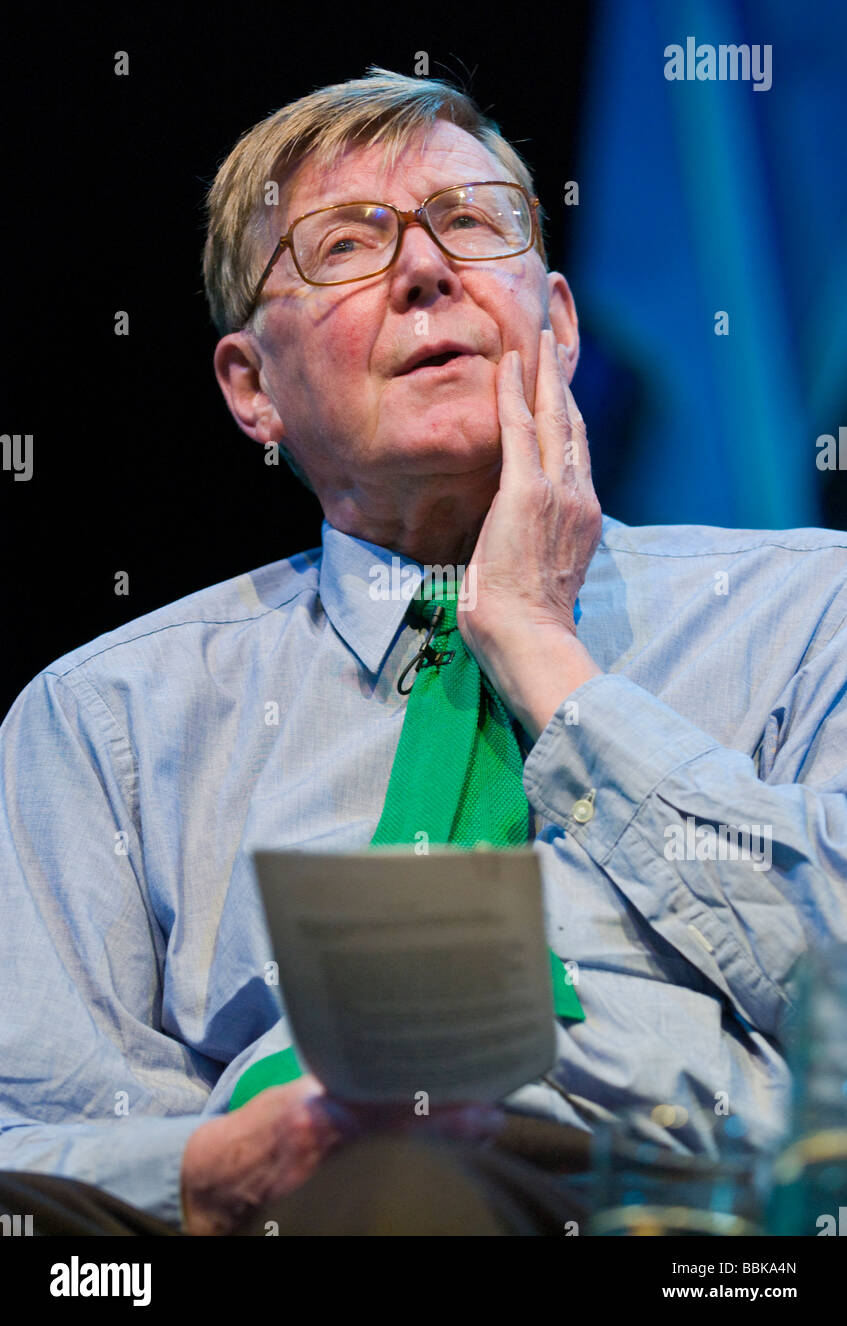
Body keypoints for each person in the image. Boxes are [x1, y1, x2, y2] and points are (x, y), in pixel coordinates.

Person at [1, 68, 844, 1237]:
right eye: (346, 243)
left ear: (555, 323)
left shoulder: (809, 609)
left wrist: (539, 646)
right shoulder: (106, 719)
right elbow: (37, 1126)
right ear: (252, 390)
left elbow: (836, 982)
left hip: (662, 1202)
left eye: (469, 221)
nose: (425, 269)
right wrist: (211, 1168)